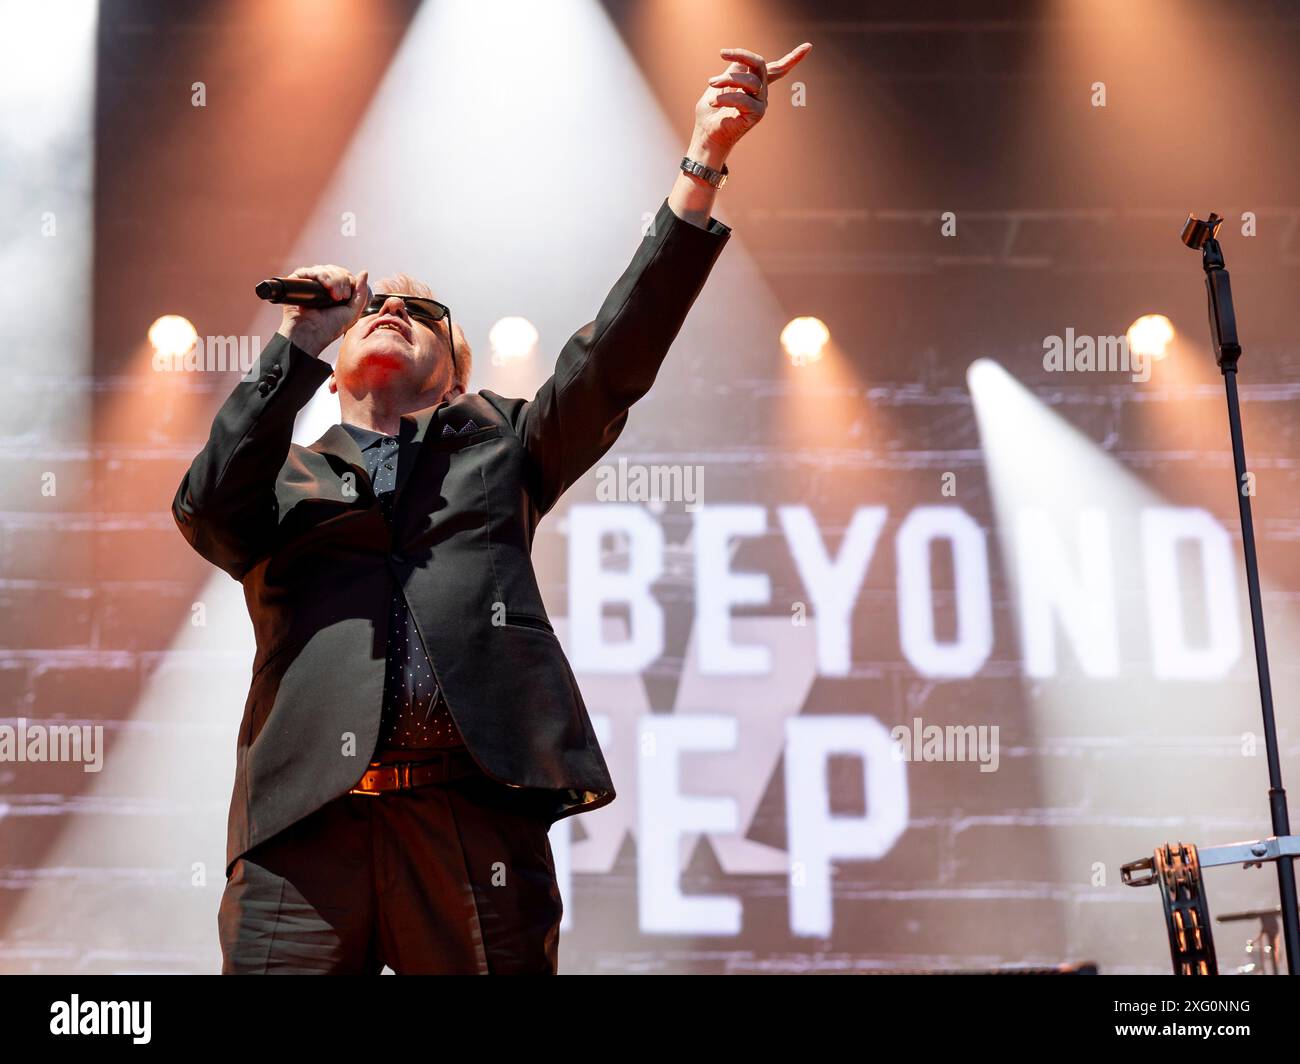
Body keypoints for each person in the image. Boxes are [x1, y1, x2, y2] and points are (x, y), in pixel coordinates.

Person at [173, 42, 812, 974]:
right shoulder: (281, 476)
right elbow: (204, 510)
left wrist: (703, 164)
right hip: (305, 833)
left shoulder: (506, 445)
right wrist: (294, 345)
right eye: (373, 308)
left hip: (472, 823)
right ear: (335, 356)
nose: (392, 310)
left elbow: (615, 355)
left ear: (456, 367)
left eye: (421, 312)